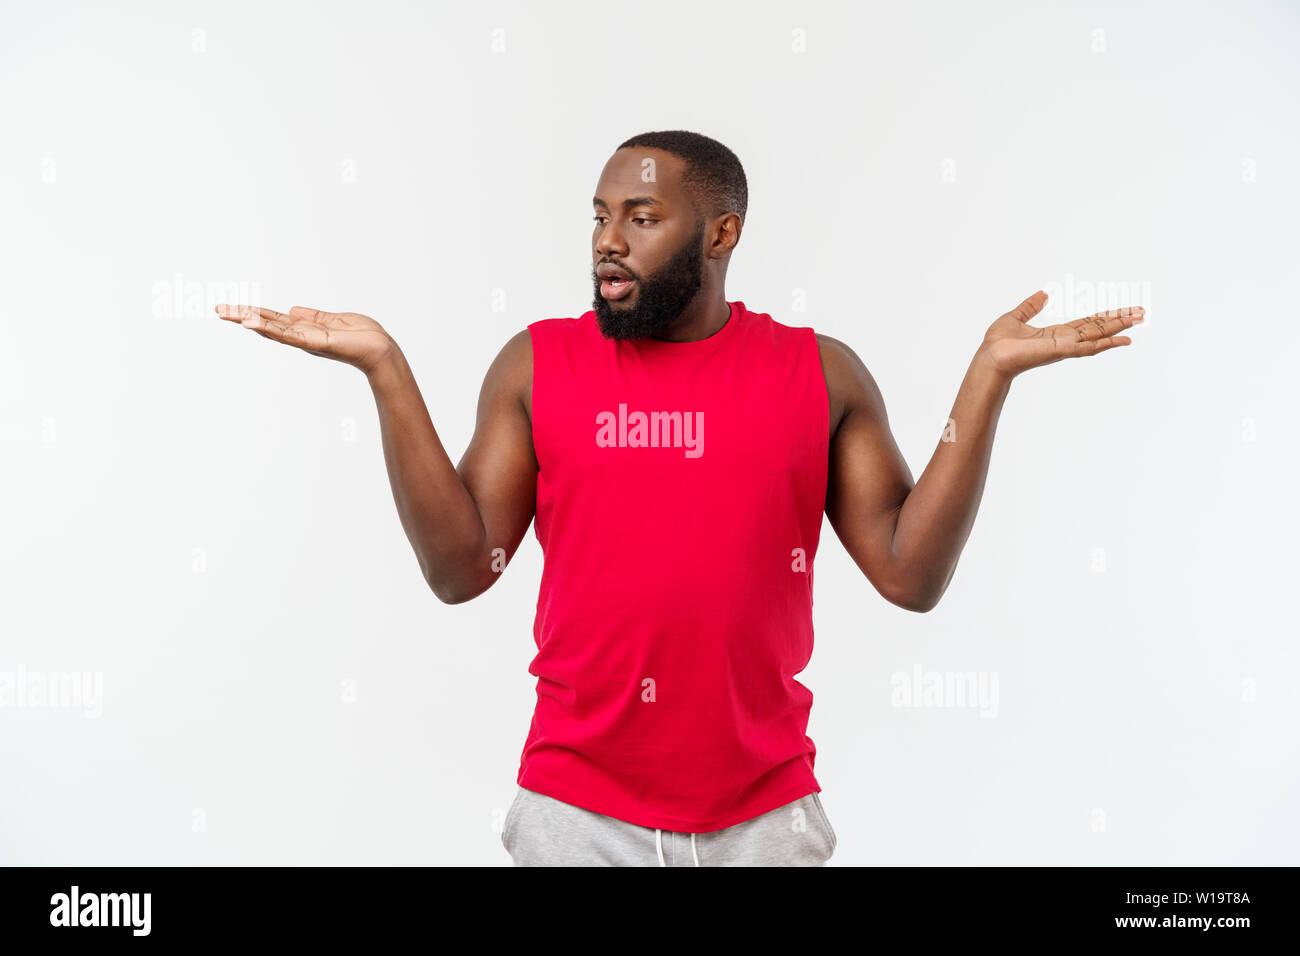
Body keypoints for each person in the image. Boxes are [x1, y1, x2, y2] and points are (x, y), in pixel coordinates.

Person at [215, 129, 1142, 866]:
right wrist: (385, 369)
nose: (607, 241)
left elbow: (909, 575)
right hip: (575, 818)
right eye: (599, 215)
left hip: (766, 825)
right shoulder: (539, 365)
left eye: (643, 216)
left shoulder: (819, 373)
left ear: (721, 233)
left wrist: (987, 380)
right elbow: (461, 572)